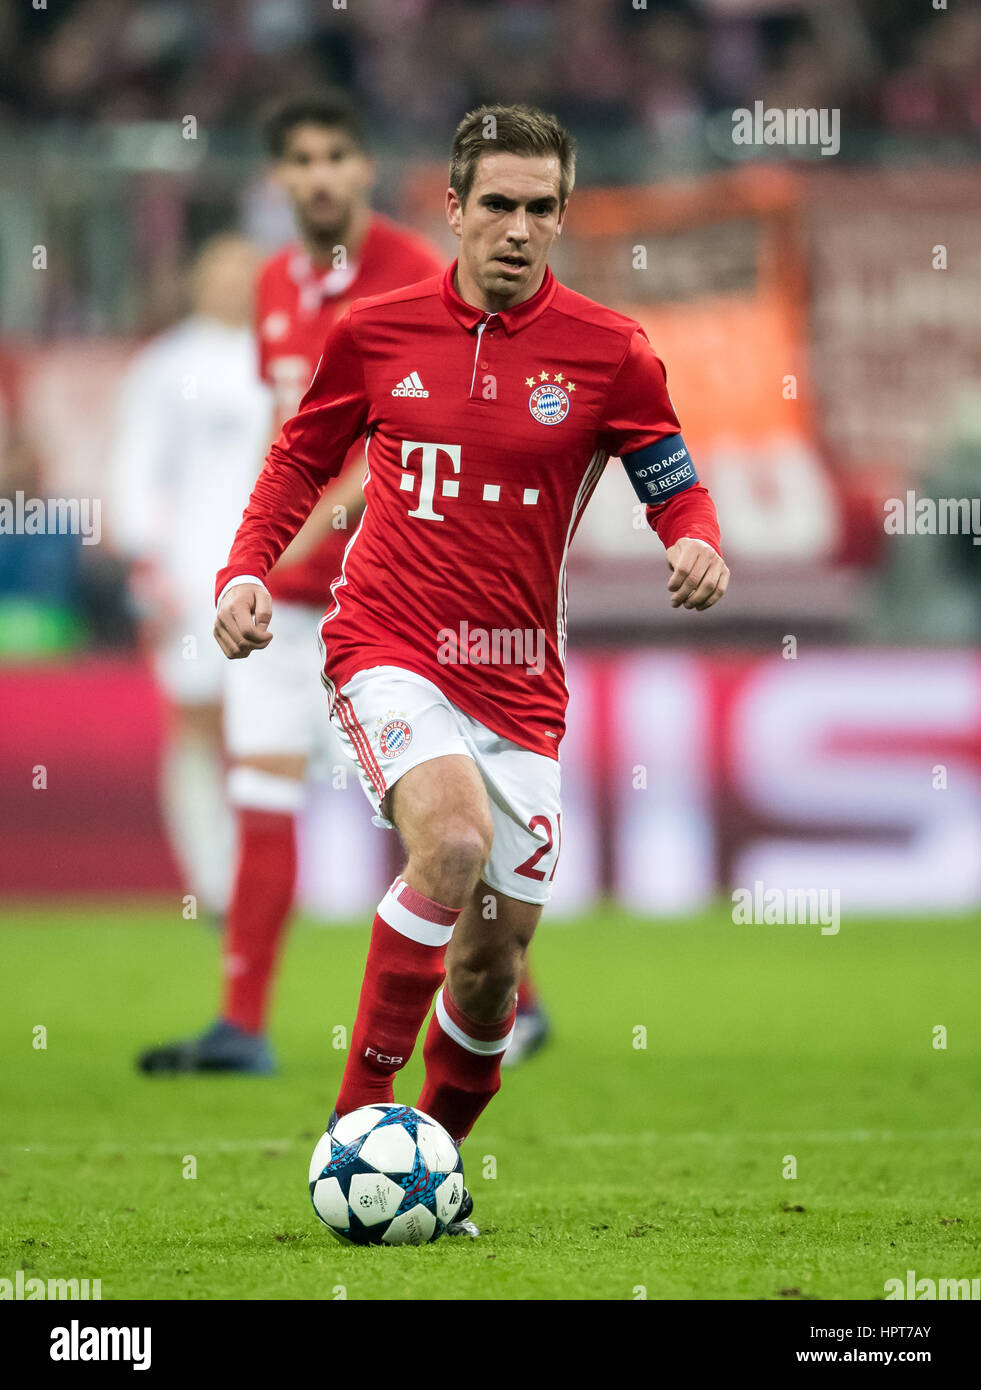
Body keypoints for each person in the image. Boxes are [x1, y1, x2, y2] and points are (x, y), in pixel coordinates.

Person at [213, 104, 729, 1232]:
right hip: (388, 644)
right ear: (451, 207)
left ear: (563, 215)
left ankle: (426, 1169)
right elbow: (300, 454)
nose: (517, 227)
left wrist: (694, 535)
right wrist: (244, 569)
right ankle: (355, 1121)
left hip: (520, 685)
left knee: (492, 974)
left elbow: (671, 479)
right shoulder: (378, 330)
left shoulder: (612, 352)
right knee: (450, 842)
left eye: (541, 207)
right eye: (496, 203)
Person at [138, 91, 444, 1074]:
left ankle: (507, 997)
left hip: (383, 591)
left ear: (365, 168)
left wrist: (306, 532)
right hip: (285, 595)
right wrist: (257, 558)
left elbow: (404, 438)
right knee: (258, 788)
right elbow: (295, 440)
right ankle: (242, 1025)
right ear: (280, 177)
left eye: (336, 155)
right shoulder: (274, 284)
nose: (318, 174)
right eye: (300, 159)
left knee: (423, 805)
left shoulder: (414, 277)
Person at [109, 234, 270, 924]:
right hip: (195, 571)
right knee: (199, 720)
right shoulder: (166, 366)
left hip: (282, 571)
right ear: (198, 281)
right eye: (222, 271)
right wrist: (147, 560)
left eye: (247, 273)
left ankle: (274, 870)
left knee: (276, 725)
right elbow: (137, 467)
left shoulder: (290, 358)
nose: (236, 285)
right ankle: (213, 881)